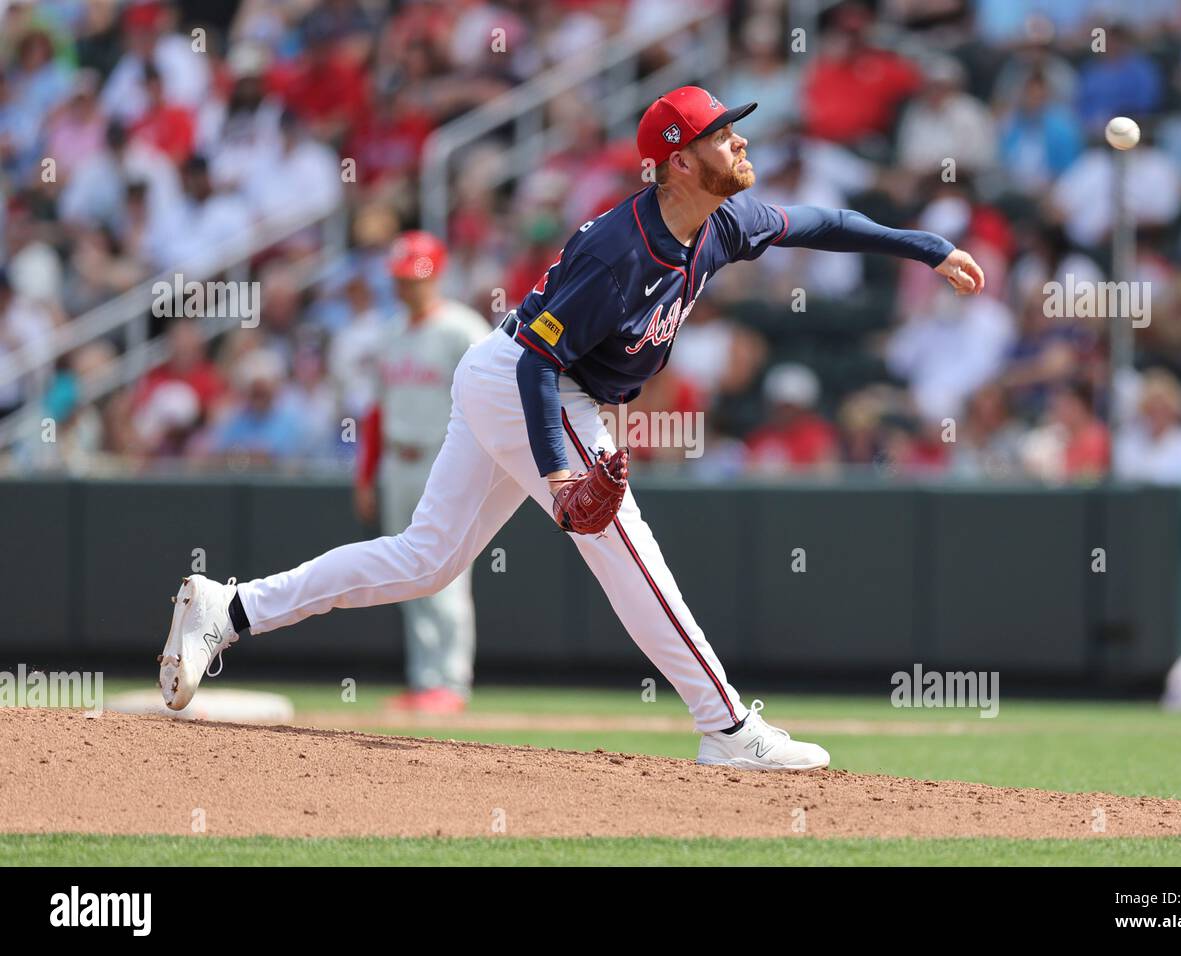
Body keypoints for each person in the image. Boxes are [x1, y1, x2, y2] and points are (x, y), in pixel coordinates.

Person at [158, 86, 984, 771]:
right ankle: (729, 729)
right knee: (627, 550)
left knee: (424, 560)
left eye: (733, 128)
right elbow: (533, 368)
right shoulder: (619, 253)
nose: (737, 141)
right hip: (532, 383)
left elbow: (824, 223)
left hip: (519, 378)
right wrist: (556, 469)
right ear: (676, 162)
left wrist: (929, 247)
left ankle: (227, 610)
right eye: (718, 133)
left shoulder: (722, 225)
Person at [355, 232, 492, 713]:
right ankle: (423, 679)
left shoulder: (463, 328)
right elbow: (377, 410)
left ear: (438, 273)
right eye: (400, 279)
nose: (406, 287)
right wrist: (366, 474)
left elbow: (489, 396)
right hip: (398, 460)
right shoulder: (390, 333)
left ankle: (450, 683)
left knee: (448, 572)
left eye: (415, 278)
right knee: (406, 571)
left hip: (444, 459)